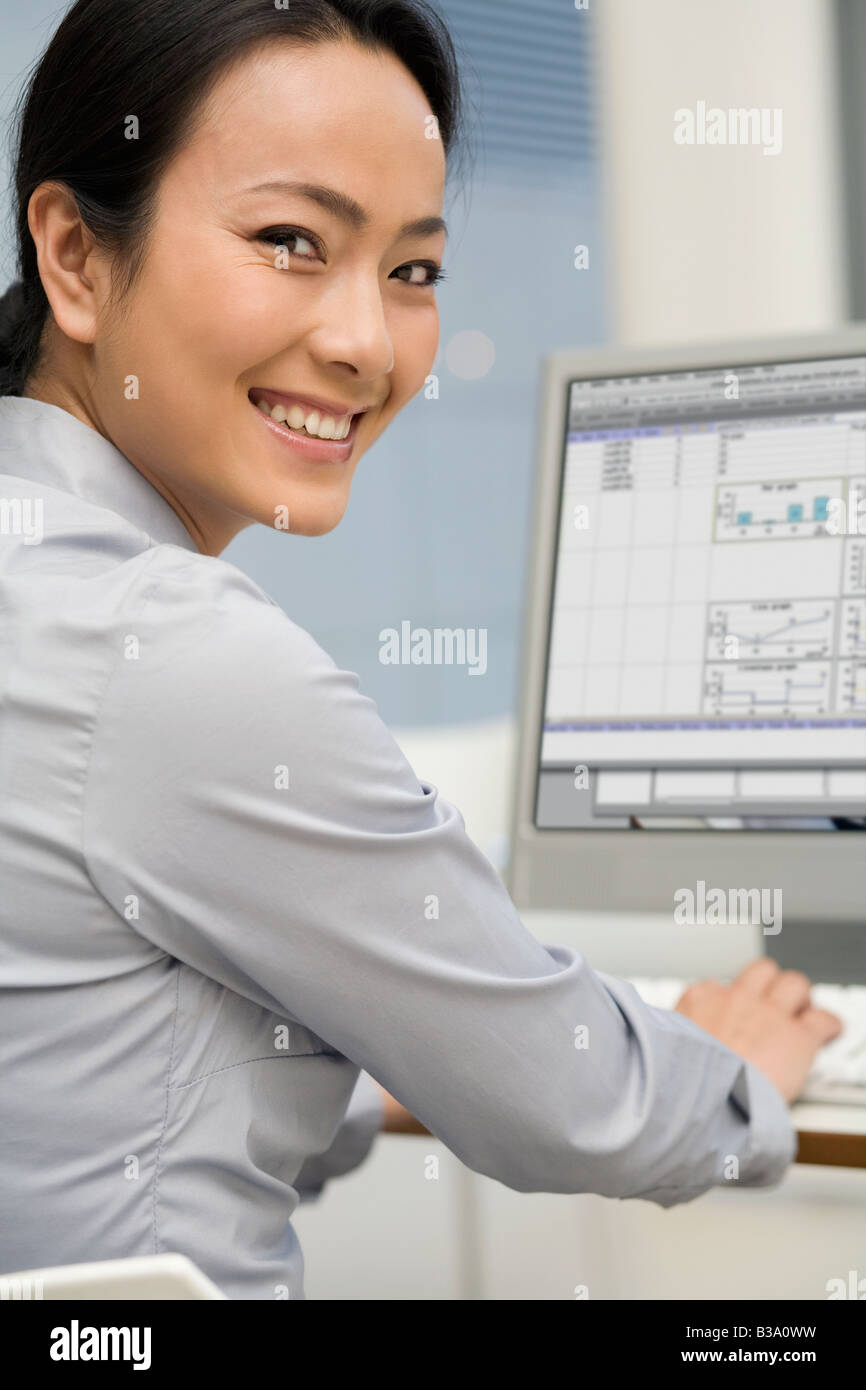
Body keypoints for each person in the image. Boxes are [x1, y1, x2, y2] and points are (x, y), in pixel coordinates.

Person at [0, 0, 842, 1301]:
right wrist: (737, 1074)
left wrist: (400, 1042)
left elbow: (96, 1056)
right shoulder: (169, 653)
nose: (364, 342)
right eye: (291, 241)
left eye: (413, 271)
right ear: (75, 256)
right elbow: (571, 1103)